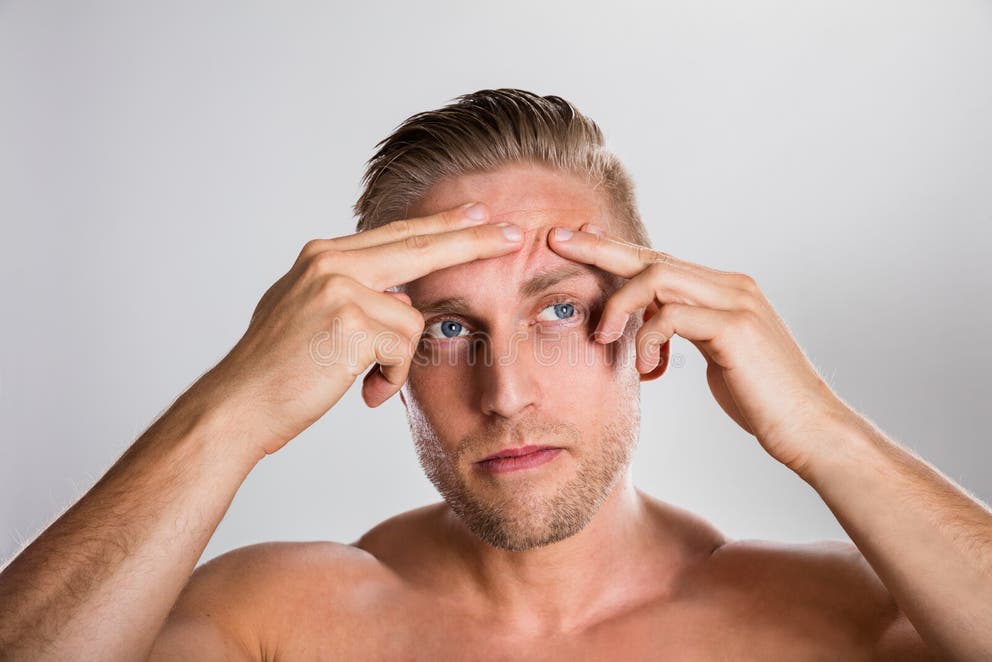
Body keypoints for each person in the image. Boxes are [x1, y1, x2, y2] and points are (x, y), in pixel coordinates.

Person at [0, 88, 988, 661]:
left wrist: (821, 429)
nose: (505, 389)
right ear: (379, 350)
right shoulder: (276, 623)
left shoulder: (836, 619)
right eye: (447, 326)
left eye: (557, 308)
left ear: (647, 322)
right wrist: (233, 406)